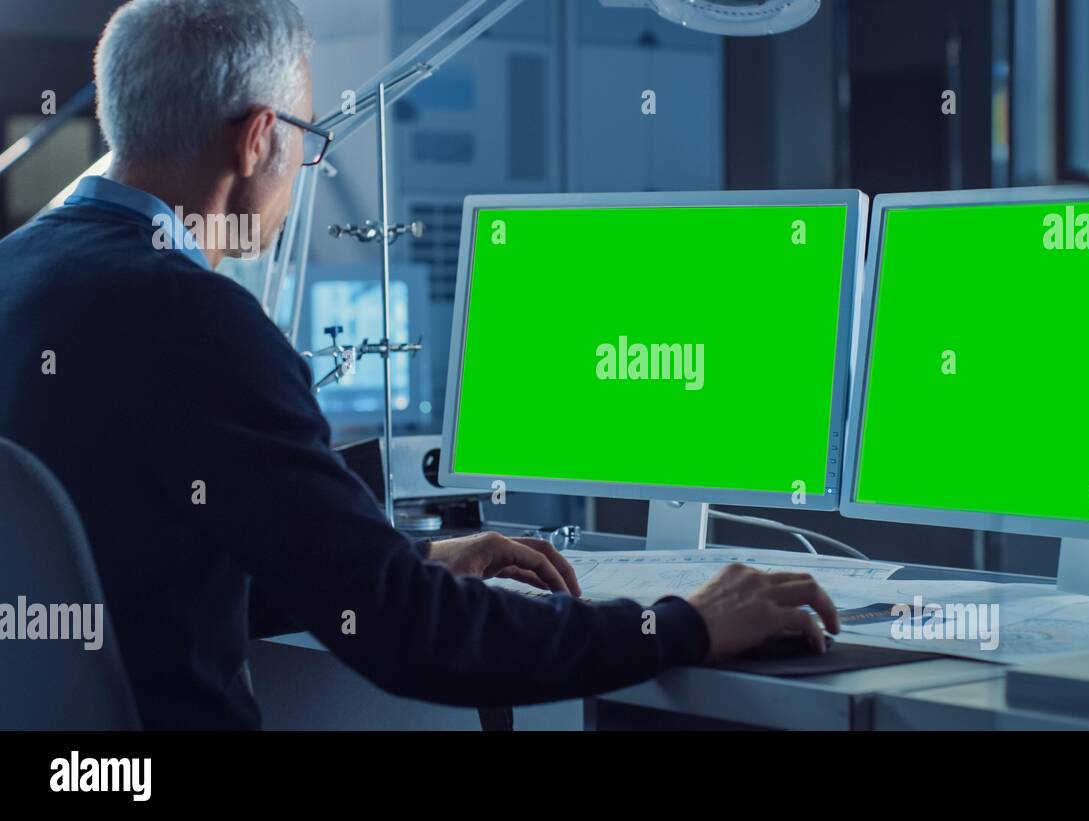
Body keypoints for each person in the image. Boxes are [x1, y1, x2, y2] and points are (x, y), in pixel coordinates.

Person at [0, 0, 838, 729]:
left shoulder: (18, 274)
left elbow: (129, 576)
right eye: (309, 137)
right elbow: (411, 638)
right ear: (259, 140)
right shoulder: (198, 319)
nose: (306, 166)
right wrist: (678, 624)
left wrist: (402, 562)